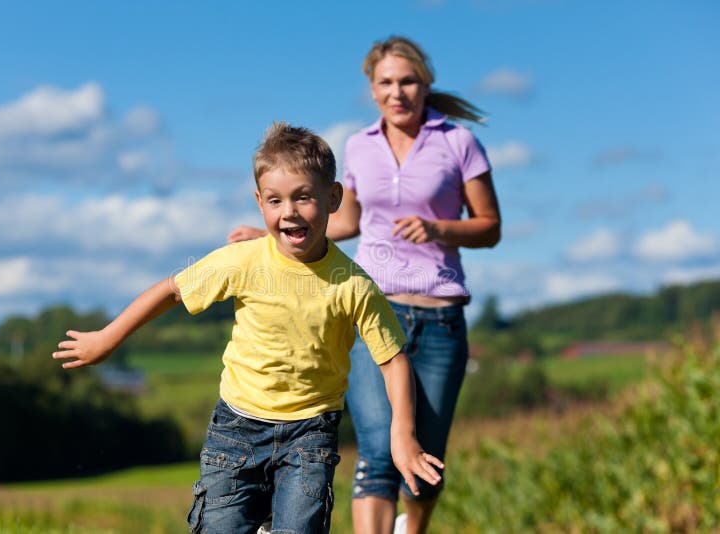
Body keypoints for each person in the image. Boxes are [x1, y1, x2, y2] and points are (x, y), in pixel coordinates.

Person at [53, 122, 444, 534]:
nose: (289, 211)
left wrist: (402, 434)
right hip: (236, 430)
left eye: (304, 197)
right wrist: (107, 338)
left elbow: (393, 361)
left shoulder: (354, 284)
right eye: (275, 200)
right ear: (260, 203)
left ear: (332, 198)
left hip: (309, 435)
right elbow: (171, 291)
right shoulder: (243, 261)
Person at [230, 36, 501, 534]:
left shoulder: (458, 143)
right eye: (386, 83)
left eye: (407, 81)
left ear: (426, 84)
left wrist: (440, 227)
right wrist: (273, 234)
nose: (397, 92)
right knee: (378, 448)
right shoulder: (359, 146)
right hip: (374, 308)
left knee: (425, 460)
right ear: (372, 90)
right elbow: (344, 220)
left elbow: (490, 226)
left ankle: (410, 526)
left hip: (440, 317)